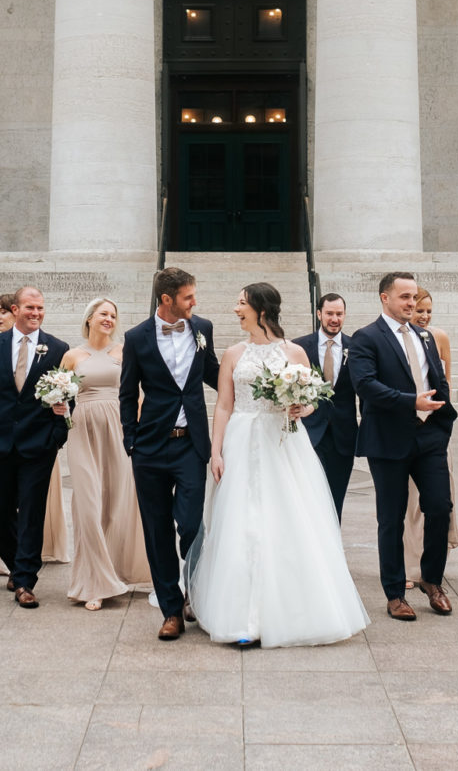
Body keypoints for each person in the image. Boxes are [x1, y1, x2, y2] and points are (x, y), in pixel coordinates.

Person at [189, 284, 369, 647]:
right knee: (242, 520)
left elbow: (315, 398)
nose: (235, 309)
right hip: (241, 439)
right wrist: (217, 451)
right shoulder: (232, 353)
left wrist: (303, 407)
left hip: (283, 442)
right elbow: (224, 405)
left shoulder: (296, 352)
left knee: (286, 518)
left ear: (260, 308)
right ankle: (242, 615)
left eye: (241, 303)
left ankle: (288, 612)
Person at [347, 271, 457, 622]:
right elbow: (365, 385)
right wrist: (412, 402)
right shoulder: (366, 338)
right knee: (390, 519)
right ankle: (395, 594)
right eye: (405, 297)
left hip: (429, 437)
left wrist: (441, 420)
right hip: (388, 440)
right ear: (385, 298)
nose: (412, 303)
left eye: (414, 297)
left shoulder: (425, 336)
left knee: (440, 507)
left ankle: (432, 580)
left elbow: (437, 380)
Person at [120, 266, 221, 640]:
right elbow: (127, 393)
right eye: (188, 297)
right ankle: (171, 609)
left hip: (191, 445)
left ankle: (196, 591)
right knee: (156, 529)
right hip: (149, 448)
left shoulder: (202, 328)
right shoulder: (136, 338)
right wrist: (131, 440)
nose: (195, 303)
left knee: (192, 525)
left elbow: (214, 374)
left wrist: (255, 385)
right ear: (166, 300)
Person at [0, 286, 70, 608]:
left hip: (38, 446)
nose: (36, 313)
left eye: (40, 308)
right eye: (30, 307)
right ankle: (15, 563)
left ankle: (26, 579)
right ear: (14, 309)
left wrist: (57, 436)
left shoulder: (57, 348)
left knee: (31, 512)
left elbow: (67, 396)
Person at [60, 298, 150, 610]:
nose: (109, 319)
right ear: (89, 319)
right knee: (87, 504)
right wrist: (58, 406)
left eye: (113, 314)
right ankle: (92, 583)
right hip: (83, 429)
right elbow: (58, 393)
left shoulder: (124, 353)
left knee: (116, 502)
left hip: (118, 428)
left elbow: (137, 396)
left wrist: (137, 433)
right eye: (103, 314)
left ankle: (111, 574)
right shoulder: (72, 356)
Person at [403, 287, 458, 580]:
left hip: (435, 428)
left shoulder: (439, 338)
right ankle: (410, 565)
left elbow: (446, 383)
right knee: (411, 503)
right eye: (418, 311)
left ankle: (433, 563)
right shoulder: (397, 339)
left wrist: (441, 424)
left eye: (428, 311)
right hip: (406, 426)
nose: (423, 317)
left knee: (438, 500)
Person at [293, 292, 357, 520]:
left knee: (336, 498)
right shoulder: (299, 347)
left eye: (339, 314)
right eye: (329, 313)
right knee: (308, 496)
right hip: (309, 432)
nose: (334, 319)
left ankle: (332, 549)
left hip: (343, 435)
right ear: (319, 314)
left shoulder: (356, 347)